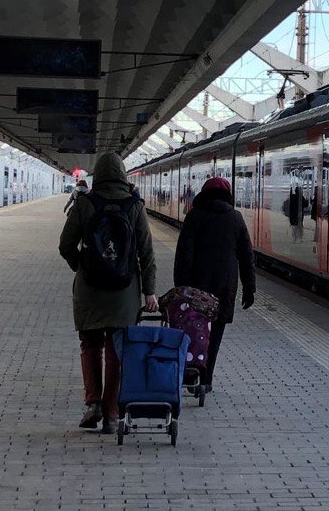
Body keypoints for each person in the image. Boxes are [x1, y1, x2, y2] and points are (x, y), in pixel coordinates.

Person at [59, 152, 158, 434]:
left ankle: (93, 404)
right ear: (123, 175)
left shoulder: (84, 203)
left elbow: (65, 245)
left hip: (90, 289)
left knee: (90, 345)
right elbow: (147, 253)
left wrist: (82, 266)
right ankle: (113, 413)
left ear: (97, 175)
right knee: (117, 351)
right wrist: (149, 291)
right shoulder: (134, 206)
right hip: (124, 292)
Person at [173, 177, 255, 392]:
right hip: (224, 286)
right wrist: (249, 288)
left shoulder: (194, 216)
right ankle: (206, 379)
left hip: (196, 285)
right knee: (215, 334)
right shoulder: (235, 218)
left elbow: (184, 254)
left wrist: (180, 285)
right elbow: (247, 257)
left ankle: (191, 374)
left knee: (192, 329)